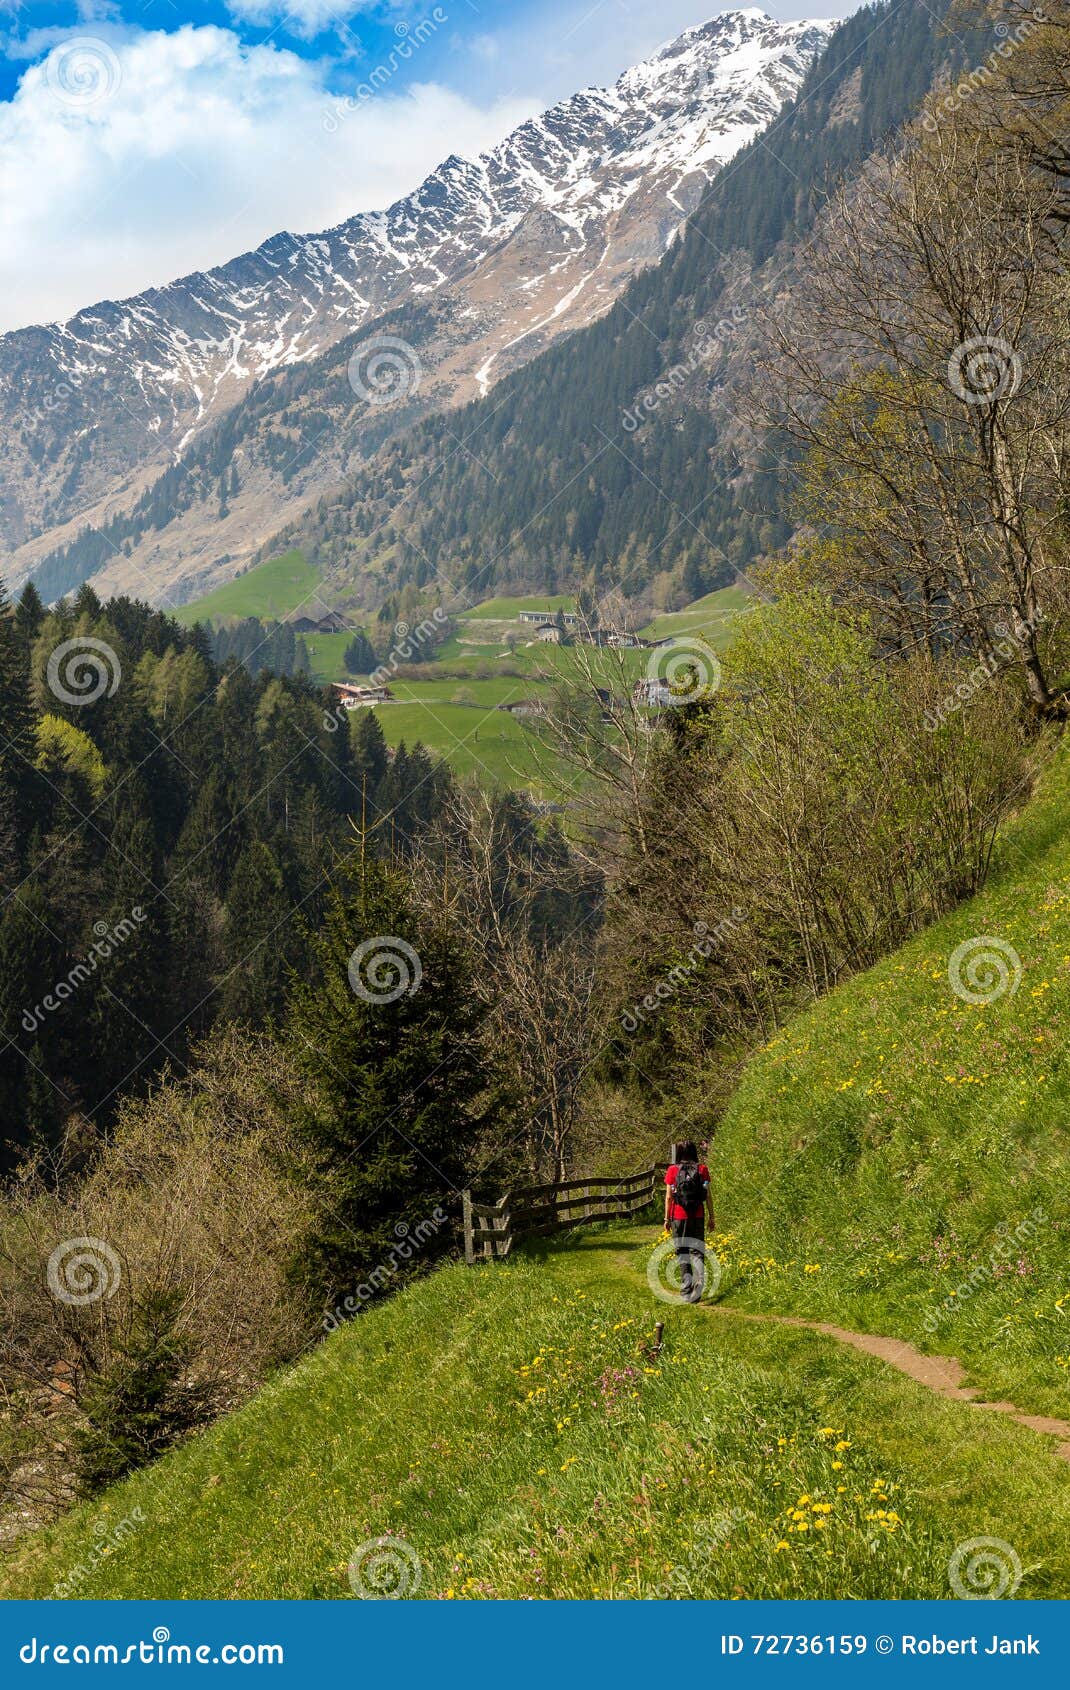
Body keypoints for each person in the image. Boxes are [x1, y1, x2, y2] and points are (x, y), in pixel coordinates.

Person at [663, 1141, 714, 1303]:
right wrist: (712, 1217)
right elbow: (707, 1196)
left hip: (678, 1216)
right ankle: (698, 1288)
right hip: (698, 1215)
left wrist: (666, 1219)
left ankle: (686, 1291)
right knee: (698, 1251)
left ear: (678, 1153)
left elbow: (669, 1197)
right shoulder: (702, 1169)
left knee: (682, 1251)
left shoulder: (672, 1170)